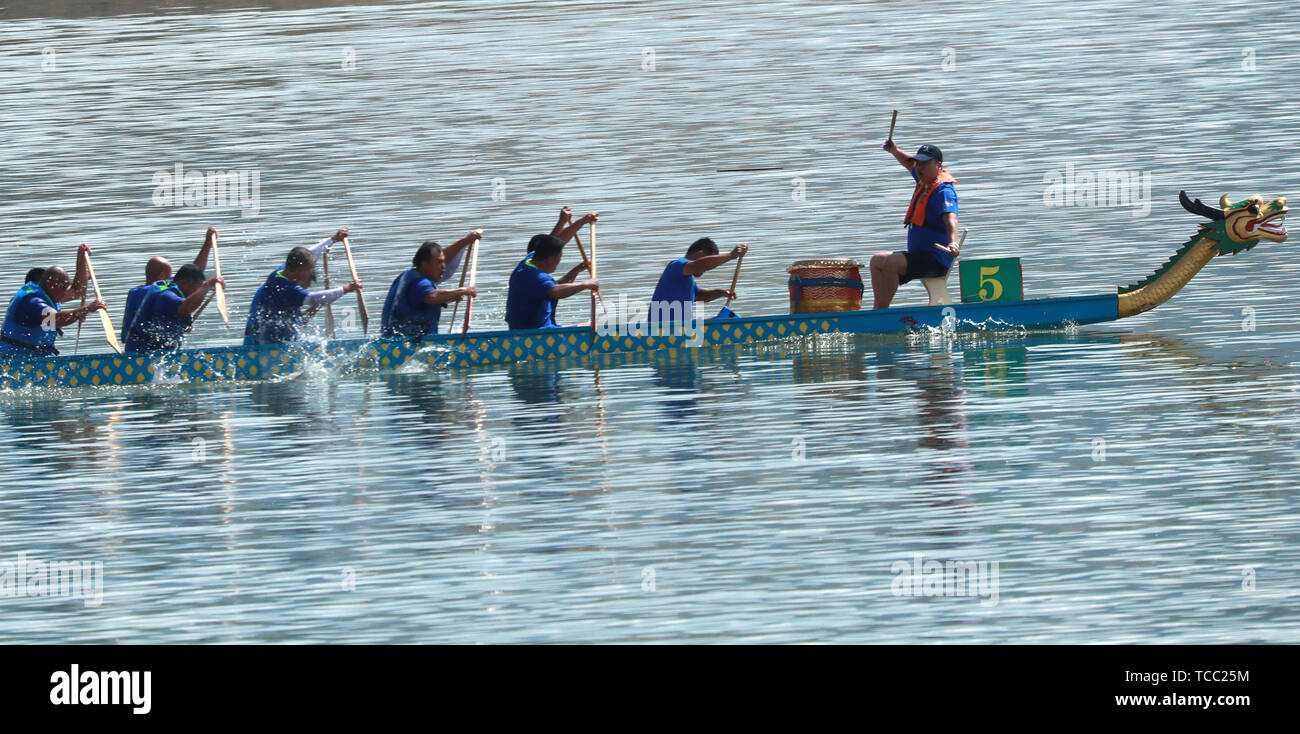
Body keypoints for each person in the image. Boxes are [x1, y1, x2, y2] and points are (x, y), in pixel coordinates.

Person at [872, 141, 960, 308]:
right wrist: (894, 150)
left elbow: (951, 219)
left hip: (936, 260)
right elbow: (908, 163)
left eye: (925, 163)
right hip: (920, 256)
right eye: (918, 162)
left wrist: (953, 242)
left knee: (891, 262)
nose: (919, 167)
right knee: (876, 261)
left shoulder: (944, 192)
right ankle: (877, 311)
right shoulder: (924, 180)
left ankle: (881, 314)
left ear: (938, 165)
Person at [243, 228, 361, 345]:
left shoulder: (283, 271)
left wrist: (333, 240)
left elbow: (310, 255)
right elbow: (313, 298)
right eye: (309, 272)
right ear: (298, 271)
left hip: (280, 337)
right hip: (260, 345)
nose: (309, 282)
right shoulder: (286, 288)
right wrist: (347, 289)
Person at [1, 245, 104, 356]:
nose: (66, 292)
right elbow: (55, 319)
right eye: (64, 288)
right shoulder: (32, 303)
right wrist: (86, 309)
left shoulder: (50, 294)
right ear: (51, 285)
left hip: (38, 360)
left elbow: (77, 290)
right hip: (15, 362)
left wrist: (81, 258)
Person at [380, 229, 482, 339]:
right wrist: (463, 290)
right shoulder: (419, 282)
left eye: (443, 262)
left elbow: (444, 255)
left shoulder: (408, 275)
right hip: (405, 345)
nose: (444, 266)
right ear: (425, 264)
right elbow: (431, 296)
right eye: (439, 263)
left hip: (393, 342)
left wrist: (466, 241)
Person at [121, 226, 215, 342]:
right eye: (171, 274)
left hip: (135, 346)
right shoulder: (162, 292)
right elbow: (187, 289)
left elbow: (193, 274)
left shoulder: (136, 292)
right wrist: (207, 286)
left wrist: (207, 244)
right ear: (161, 275)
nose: (174, 278)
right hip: (148, 349)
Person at [123, 264, 224, 353]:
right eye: (198, 286)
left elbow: (194, 269)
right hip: (141, 354)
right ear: (185, 284)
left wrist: (212, 287)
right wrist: (207, 286)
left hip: (161, 350)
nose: (198, 291)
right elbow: (187, 307)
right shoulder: (166, 296)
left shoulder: (176, 283)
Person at [505, 234, 598, 330]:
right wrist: (586, 284)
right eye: (560, 257)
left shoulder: (528, 261)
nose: (559, 262)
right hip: (536, 334)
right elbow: (555, 291)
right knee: (595, 327)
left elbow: (555, 242)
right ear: (550, 259)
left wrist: (576, 270)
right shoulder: (536, 276)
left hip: (521, 330)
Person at [647, 238, 747, 326]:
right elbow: (698, 265)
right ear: (700, 254)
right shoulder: (676, 265)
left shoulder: (687, 279)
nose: (706, 270)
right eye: (709, 263)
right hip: (662, 330)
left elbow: (699, 296)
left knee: (724, 317)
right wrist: (731, 255)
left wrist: (721, 293)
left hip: (678, 329)